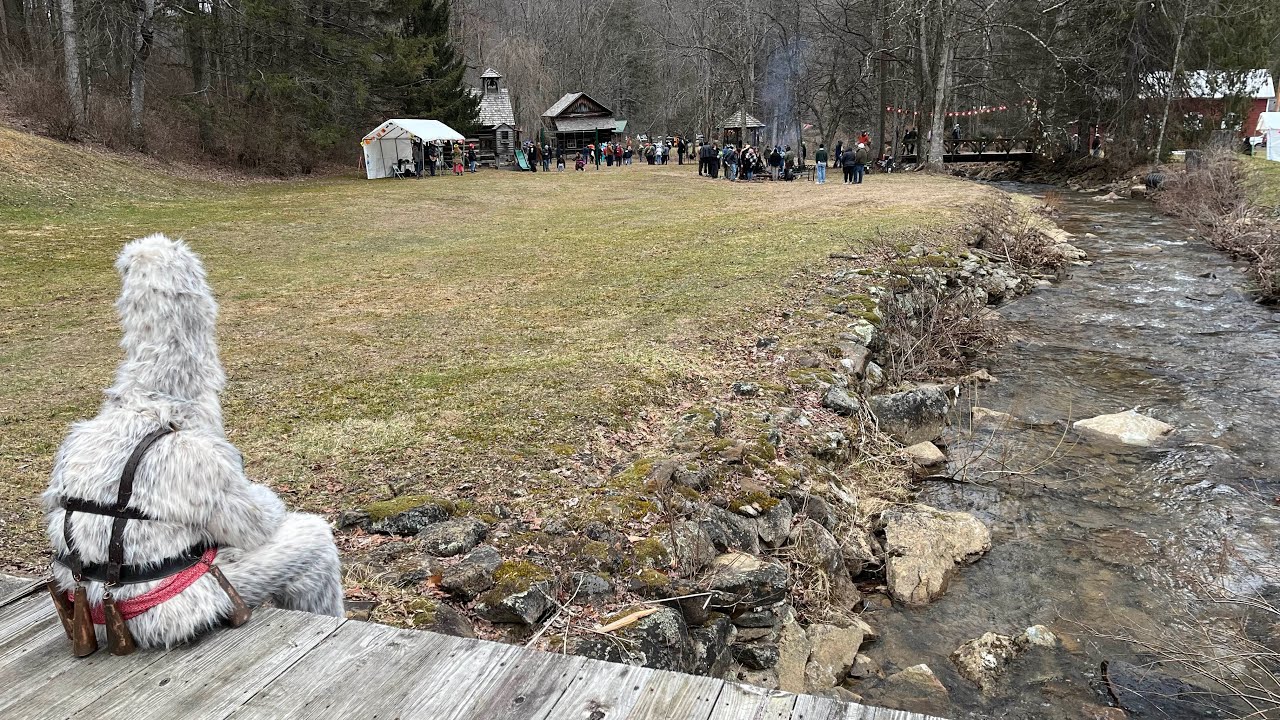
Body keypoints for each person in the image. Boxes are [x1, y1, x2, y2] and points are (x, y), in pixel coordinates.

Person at [45, 235, 343, 655]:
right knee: (312, 538)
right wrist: (255, 495)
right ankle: (329, 646)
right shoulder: (190, 450)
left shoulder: (83, 438)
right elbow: (255, 528)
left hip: (85, 606)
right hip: (160, 614)